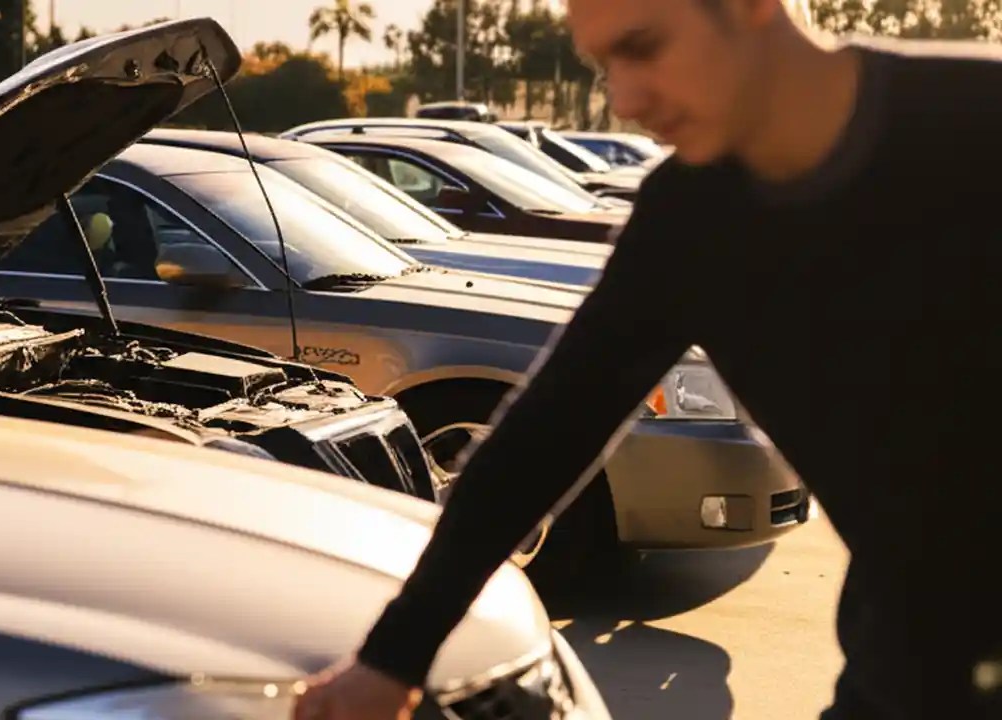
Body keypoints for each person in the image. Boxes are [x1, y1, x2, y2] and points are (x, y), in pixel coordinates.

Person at [292, 0, 1002, 718]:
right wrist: (390, 660)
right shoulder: (690, 221)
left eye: (646, 47)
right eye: (606, 67)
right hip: (907, 676)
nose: (625, 101)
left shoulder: (977, 126)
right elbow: (546, 432)